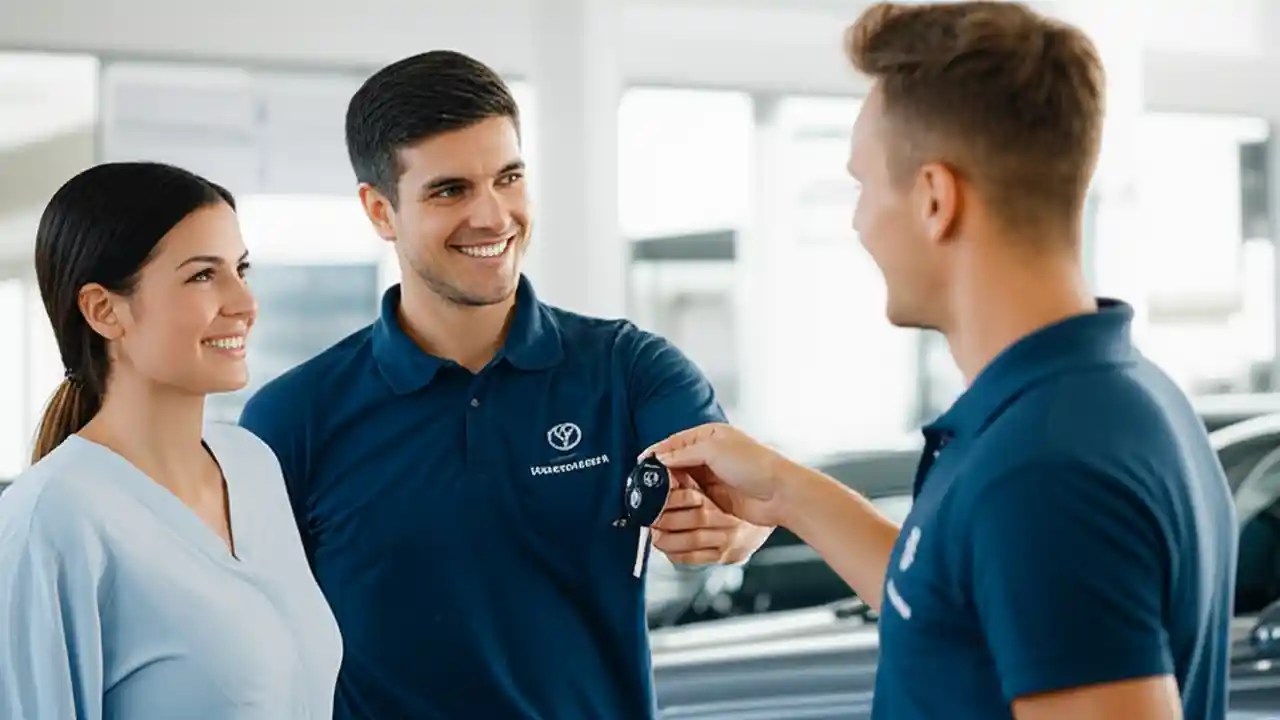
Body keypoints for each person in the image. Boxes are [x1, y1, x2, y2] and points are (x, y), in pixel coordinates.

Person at [645, 3, 1236, 719]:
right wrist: (785, 492)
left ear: (934, 199)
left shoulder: (1045, 472)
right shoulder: (1120, 399)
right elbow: (962, 609)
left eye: (863, 186)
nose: (858, 222)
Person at [238, 50, 771, 719]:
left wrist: (732, 529)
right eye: (449, 190)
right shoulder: (293, 419)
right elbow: (253, 653)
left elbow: (737, 503)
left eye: (509, 178)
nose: (493, 216)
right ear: (380, 211)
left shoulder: (631, 371)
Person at [0, 162, 343, 720]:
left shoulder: (252, 464)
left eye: (241, 268)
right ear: (104, 310)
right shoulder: (50, 522)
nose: (245, 302)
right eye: (203, 275)